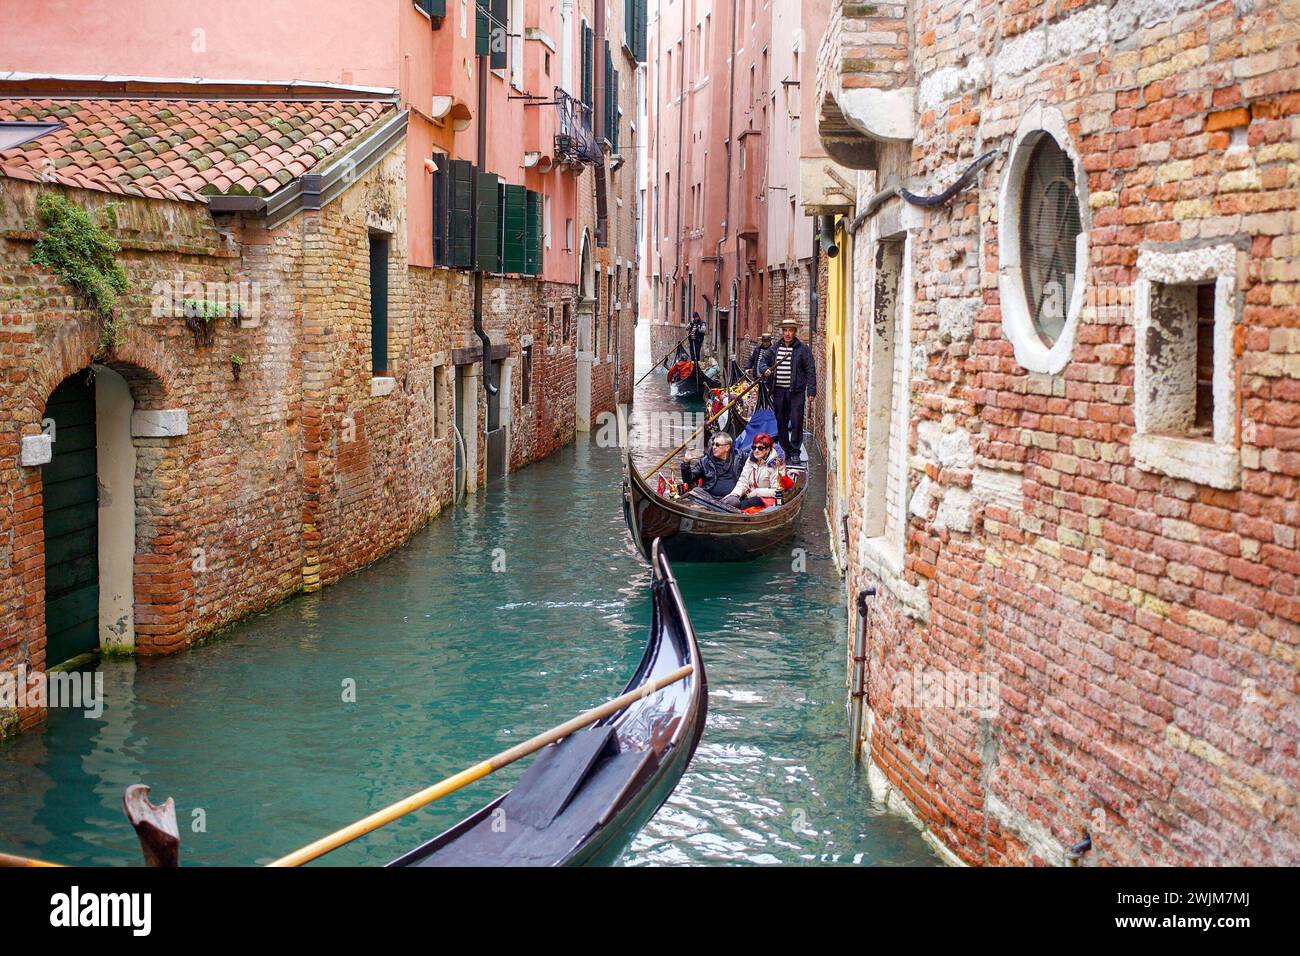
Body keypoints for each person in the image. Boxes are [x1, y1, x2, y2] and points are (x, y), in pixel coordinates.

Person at [758, 318, 816, 465]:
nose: (788, 333)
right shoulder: (775, 348)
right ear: (782, 332)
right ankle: (785, 449)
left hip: (796, 392)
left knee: (796, 421)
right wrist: (765, 370)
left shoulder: (803, 349)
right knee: (781, 422)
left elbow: (810, 370)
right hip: (778, 391)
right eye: (785, 330)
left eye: (791, 330)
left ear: (795, 332)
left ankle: (795, 451)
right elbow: (763, 361)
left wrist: (811, 390)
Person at [723, 432, 787, 510]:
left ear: (768, 449)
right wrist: (735, 494)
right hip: (750, 495)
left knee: (744, 505)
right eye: (754, 447)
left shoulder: (776, 464)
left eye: (760, 448)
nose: (756, 450)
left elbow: (777, 491)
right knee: (729, 502)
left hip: (766, 498)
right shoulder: (751, 460)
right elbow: (743, 481)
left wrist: (756, 492)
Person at [680, 430, 743, 499]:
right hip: (709, 498)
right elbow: (688, 480)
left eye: (717, 445)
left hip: (731, 498)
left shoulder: (739, 457)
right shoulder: (705, 461)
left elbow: (754, 459)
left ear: (727, 447)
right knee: (696, 491)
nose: (714, 447)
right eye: (713, 444)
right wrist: (686, 463)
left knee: (733, 500)